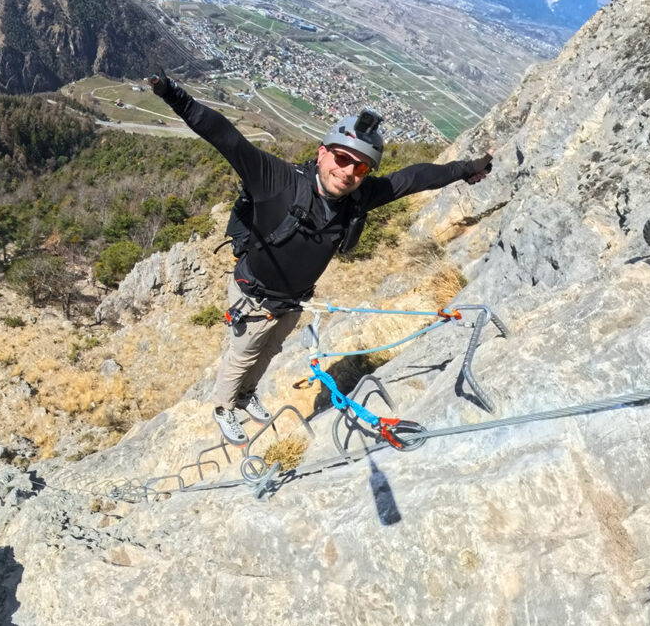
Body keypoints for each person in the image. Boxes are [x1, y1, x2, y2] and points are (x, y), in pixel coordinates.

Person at [147, 70, 494, 445]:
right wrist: (172, 94)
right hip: (254, 295)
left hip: (293, 299)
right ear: (323, 152)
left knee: (271, 348)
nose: (347, 173)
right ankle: (224, 407)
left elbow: (415, 177)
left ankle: (246, 396)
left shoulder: (360, 196)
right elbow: (224, 137)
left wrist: (465, 169)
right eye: (342, 158)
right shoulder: (278, 180)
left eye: (360, 168)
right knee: (244, 354)